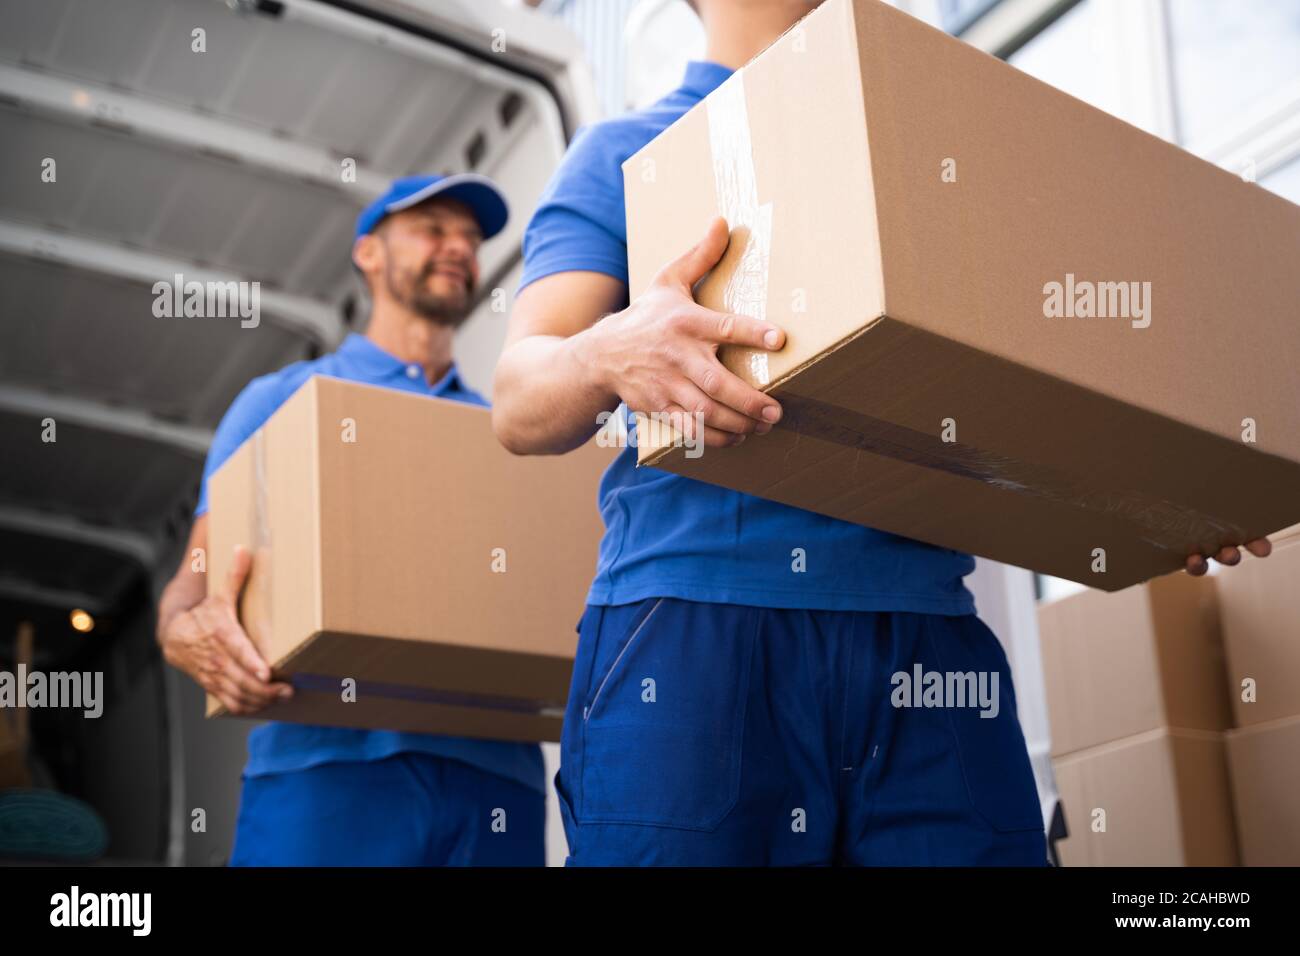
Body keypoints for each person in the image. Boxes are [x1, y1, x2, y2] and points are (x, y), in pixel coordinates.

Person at [491, 0, 1272, 866]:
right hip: (693, 632)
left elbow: (1033, 377)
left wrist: (1161, 499)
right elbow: (518, 401)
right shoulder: (627, 155)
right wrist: (612, 349)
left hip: (926, 633)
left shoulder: (919, 137)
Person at [157, 174, 546, 866]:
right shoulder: (281, 401)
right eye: (433, 229)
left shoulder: (506, 427)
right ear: (368, 253)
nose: (458, 247)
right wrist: (180, 630)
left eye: (470, 238)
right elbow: (195, 577)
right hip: (325, 772)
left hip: (494, 781)